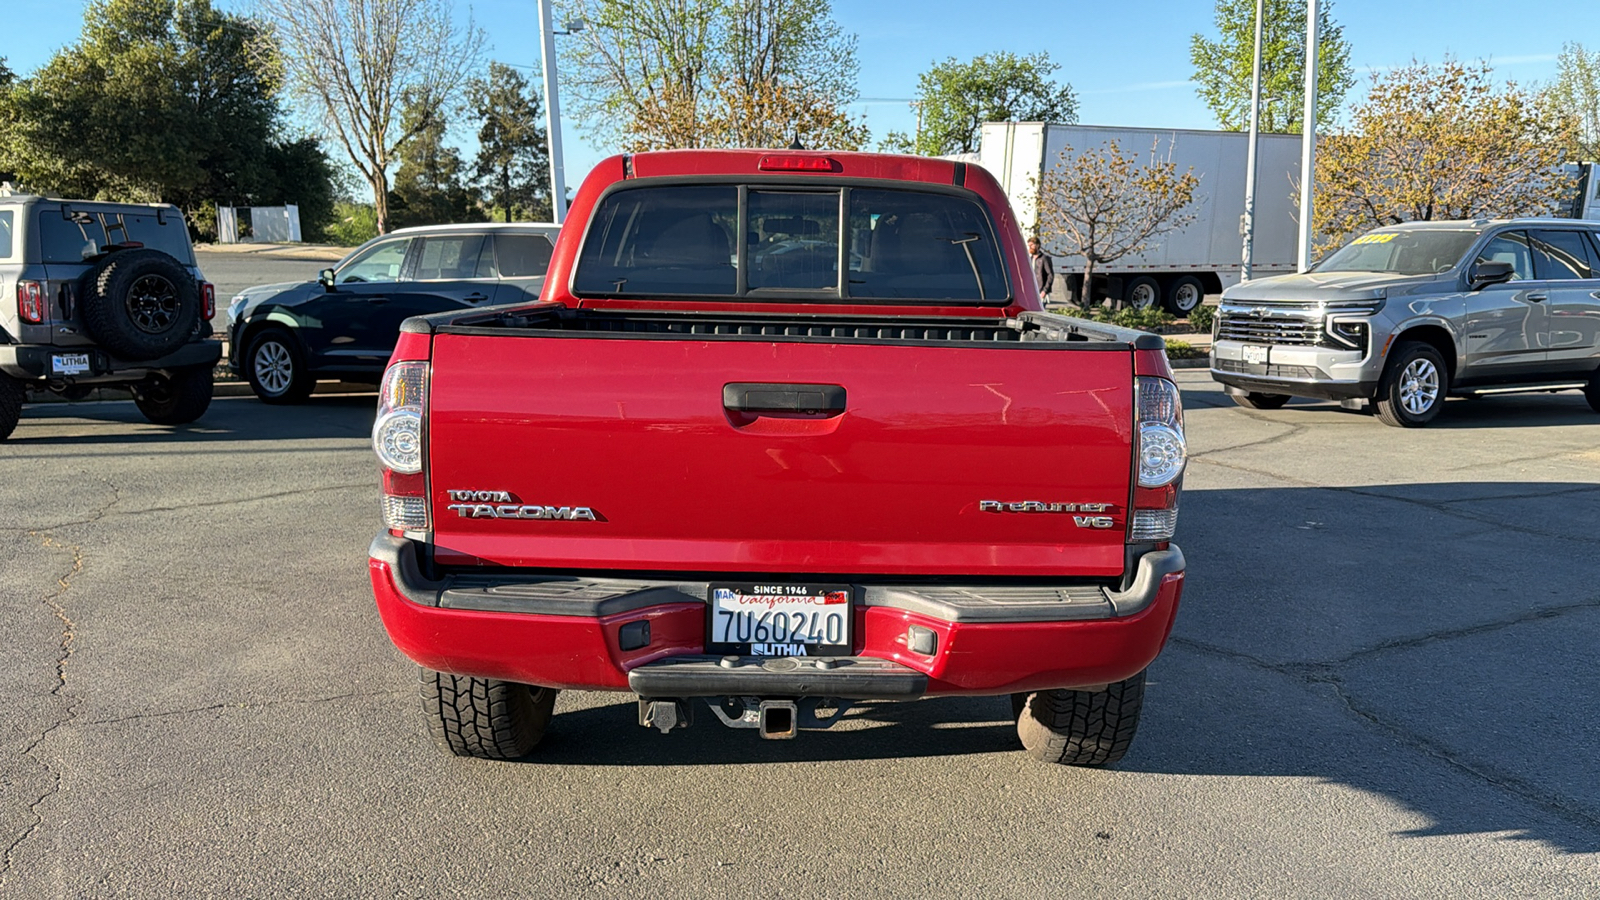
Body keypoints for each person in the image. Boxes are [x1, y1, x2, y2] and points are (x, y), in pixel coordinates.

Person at [1028, 237, 1054, 305]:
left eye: (1032, 245)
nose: (1030, 247)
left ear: (1037, 245)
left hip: (1041, 292)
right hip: (1032, 292)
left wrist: (1044, 291)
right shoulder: (1030, 259)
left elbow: (1050, 275)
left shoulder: (1044, 258)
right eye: (1029, 245)